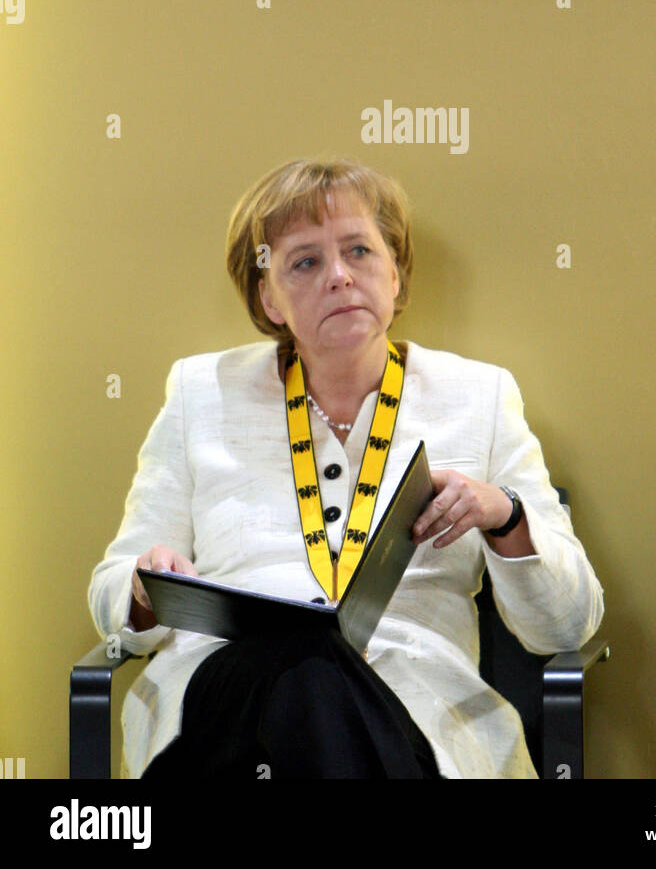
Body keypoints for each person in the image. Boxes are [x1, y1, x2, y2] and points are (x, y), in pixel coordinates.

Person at [88, 158, 604, 779]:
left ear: (395, 275)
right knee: (301, 660)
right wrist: (145, 586)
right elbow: (114, 595)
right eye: (304, 262)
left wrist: (506, 517)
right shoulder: (201, 392)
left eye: (359, 251)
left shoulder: (482, 398)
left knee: (318, 684)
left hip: (411, 708)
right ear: (268, 298)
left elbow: (567, 625)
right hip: (222, 705)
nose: (339, 276)